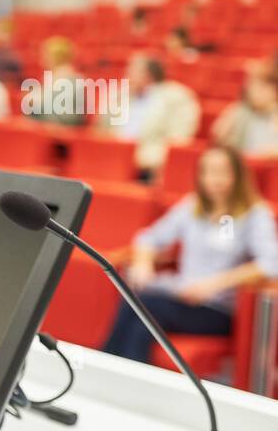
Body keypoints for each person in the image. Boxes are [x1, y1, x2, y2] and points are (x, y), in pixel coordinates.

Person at [103, 146, 278, 363]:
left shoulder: (255, 214)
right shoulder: (192, 206)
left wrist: (213, 284)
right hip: (180, 296)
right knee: (139, 322)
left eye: (222, 172)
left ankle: (108, 367)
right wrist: (143, 264)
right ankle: (116, 374)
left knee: (144, 304)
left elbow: (270, 263)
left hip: (217, 308)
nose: (215, 179)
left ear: (238, 176)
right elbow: (148, 238)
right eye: (209, 172)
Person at [101, 54, 199, 175]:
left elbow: (179, 140)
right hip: (116, 157)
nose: (127, 76)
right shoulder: (122, 96)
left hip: (149, 165)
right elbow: (102, 129)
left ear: (149, 75)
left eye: (133, 71)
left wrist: (143, 159)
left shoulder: (176, 98)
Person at [23, 36, 86, 126]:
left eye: (45, 54)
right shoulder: (52, 77)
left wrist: (37, 103)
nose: (42, 58)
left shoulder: (72, 80)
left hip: (62, 132)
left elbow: (66, 117)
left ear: (56, 57)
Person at [211, 74, 278, 155]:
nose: (253, 92)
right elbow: (218, 135)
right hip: (244, 161)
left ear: (273, 90)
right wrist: (236, 109)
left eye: (260, 88)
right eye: (251, 88)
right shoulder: (241, 111)